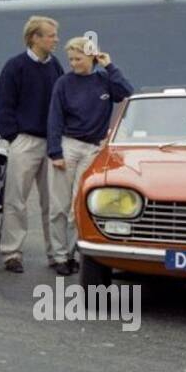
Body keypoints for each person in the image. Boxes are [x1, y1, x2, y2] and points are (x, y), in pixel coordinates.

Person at [46, 36, 135, 275]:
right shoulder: (63, 83)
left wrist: (109, 65)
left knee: (79, 205)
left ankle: (74, 253)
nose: (73, 63)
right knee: (59, 206)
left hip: (93, 148)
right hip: (68, 145)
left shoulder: (105, 80)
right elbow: (54, 118)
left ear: (91, 57)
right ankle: (59, 255)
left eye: (78, 58)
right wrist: (55, 152)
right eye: (71, 59)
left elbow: (127, 93)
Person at [0, 15, 67, 274]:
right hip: (24, 140)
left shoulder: (55, 66)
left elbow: (62, 103)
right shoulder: (15, 67)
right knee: (16, 200)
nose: (56, 39)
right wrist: (13, 137)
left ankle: (57, 254)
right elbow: (2, 105)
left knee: (54, 202)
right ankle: (11, 253)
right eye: (51, 35)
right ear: (35, 38)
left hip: (53, 142)